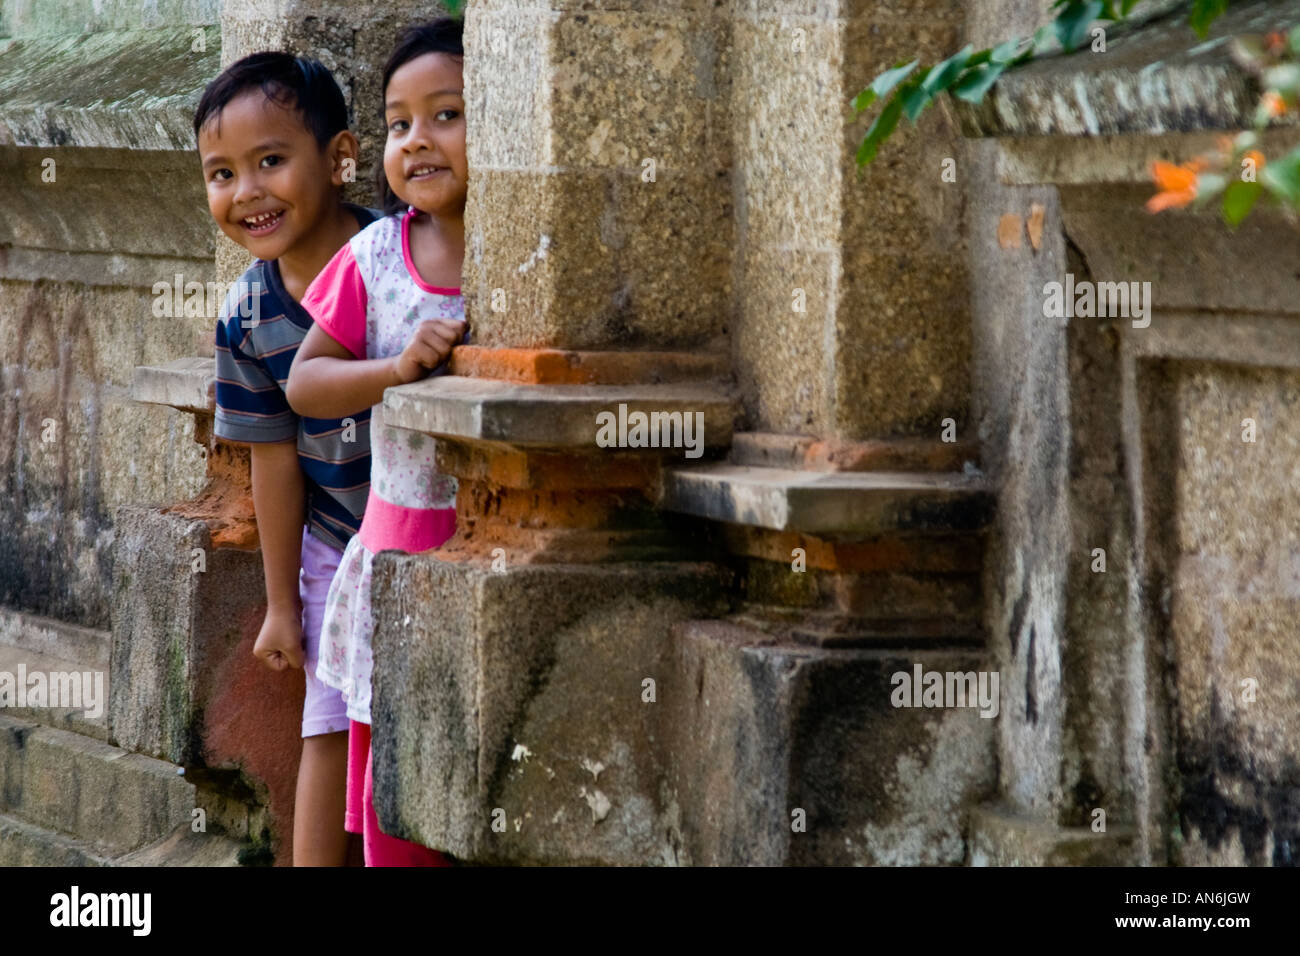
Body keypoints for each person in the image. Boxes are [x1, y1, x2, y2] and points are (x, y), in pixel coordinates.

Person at [286, 17, 468, 867]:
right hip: (398, 552)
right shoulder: (376, 258)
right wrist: (394, 368)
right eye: (399, 124)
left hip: (493, 550)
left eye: (446, 115)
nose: (418, 140)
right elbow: (306, 382)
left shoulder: (524, 256)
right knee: (400, 825)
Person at [197, 51, 377, 866]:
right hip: (334, 542)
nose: (248, 192)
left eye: (271, 160)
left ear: (339, 159)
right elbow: (272, 459)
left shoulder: (395, 262)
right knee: (328, 725)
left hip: (421, 531)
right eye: (222, 173)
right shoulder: (246, 315)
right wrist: (282, 604)